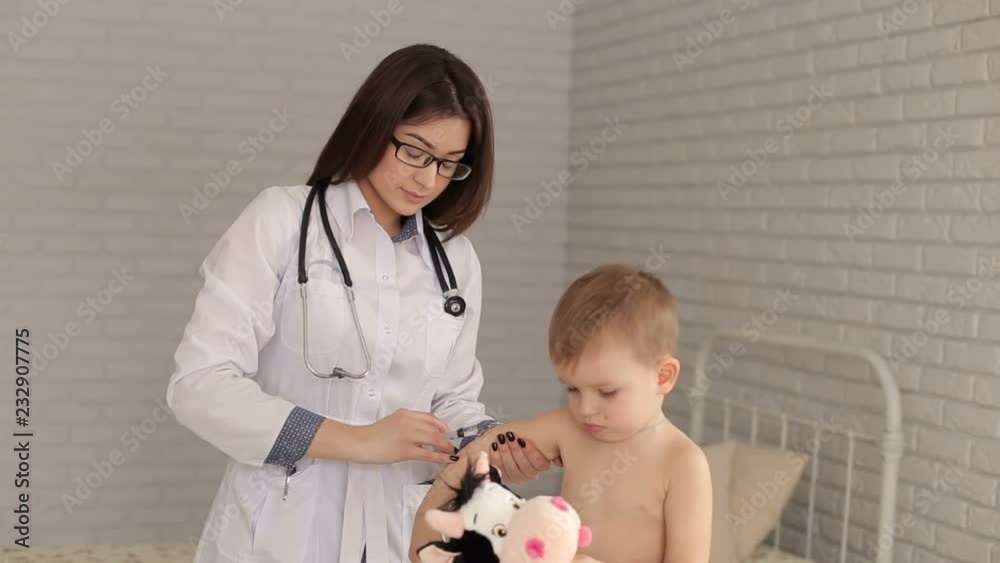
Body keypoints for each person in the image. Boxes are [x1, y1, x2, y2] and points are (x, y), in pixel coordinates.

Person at [166, 44, 556, 563]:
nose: (427, 179)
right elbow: (199, 385)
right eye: (414, 152)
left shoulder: (456, 264)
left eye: (448, 164)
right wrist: (356, 439)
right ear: (374, 125)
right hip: (282, 533)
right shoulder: (280, 222)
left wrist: (489, 442)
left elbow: (452, 401)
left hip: (400, 533)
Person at [409, 264, 714, 563]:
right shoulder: (568, 428)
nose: (585, 409)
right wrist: (426, 517)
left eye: (607, 392)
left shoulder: (682, 463)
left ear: (663, 376)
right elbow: (479, 451)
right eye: (573, 389)